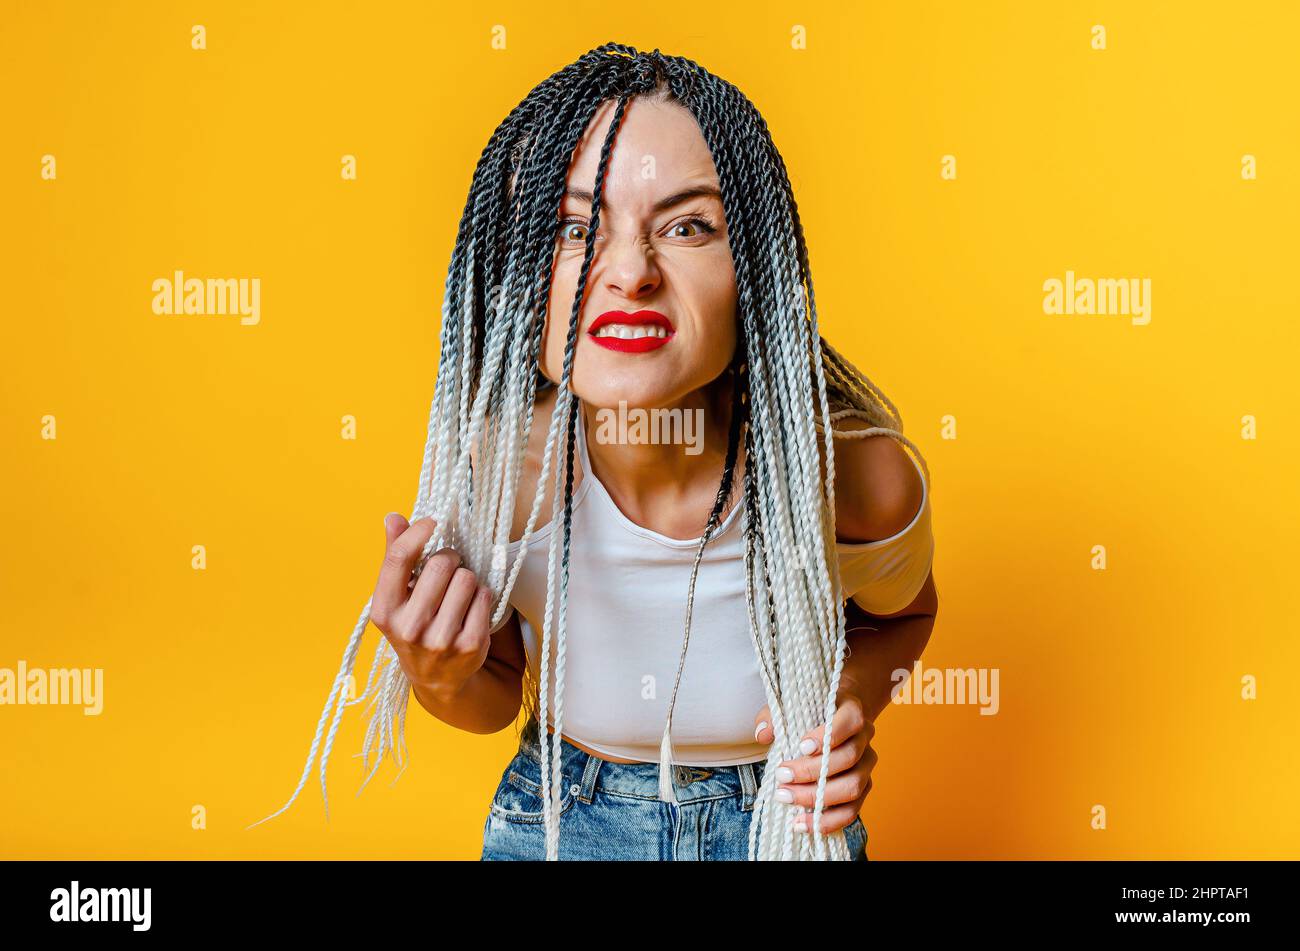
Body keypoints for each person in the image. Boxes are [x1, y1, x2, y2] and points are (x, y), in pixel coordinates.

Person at [250, 42, 938, 862]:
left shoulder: (856, 477)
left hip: (780, 824)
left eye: (687, 225)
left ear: (755, 270)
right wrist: (435, 672)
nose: (628, 272)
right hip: (562, 818)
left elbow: (908, 615)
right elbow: (494, 694)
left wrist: (846, 702)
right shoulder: (509, 476)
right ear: (512, 273)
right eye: (576, 226)